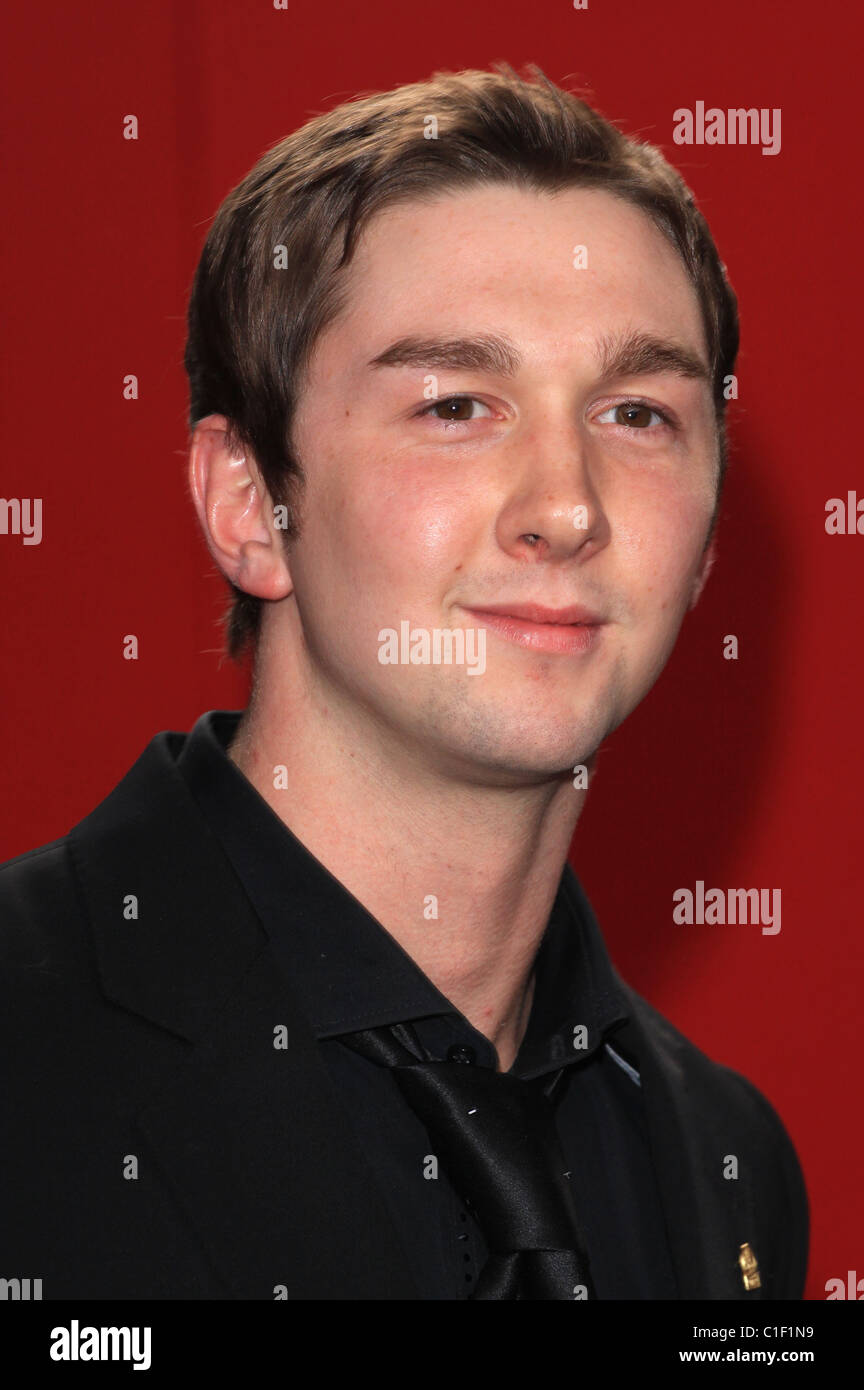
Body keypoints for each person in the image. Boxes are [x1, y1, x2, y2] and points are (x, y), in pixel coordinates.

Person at [0, 62, 808, 1300]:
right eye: (456, 404)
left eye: (637, 413)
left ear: (705, 546)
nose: (565, 508)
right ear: (248, 506)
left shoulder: (726, 1165)